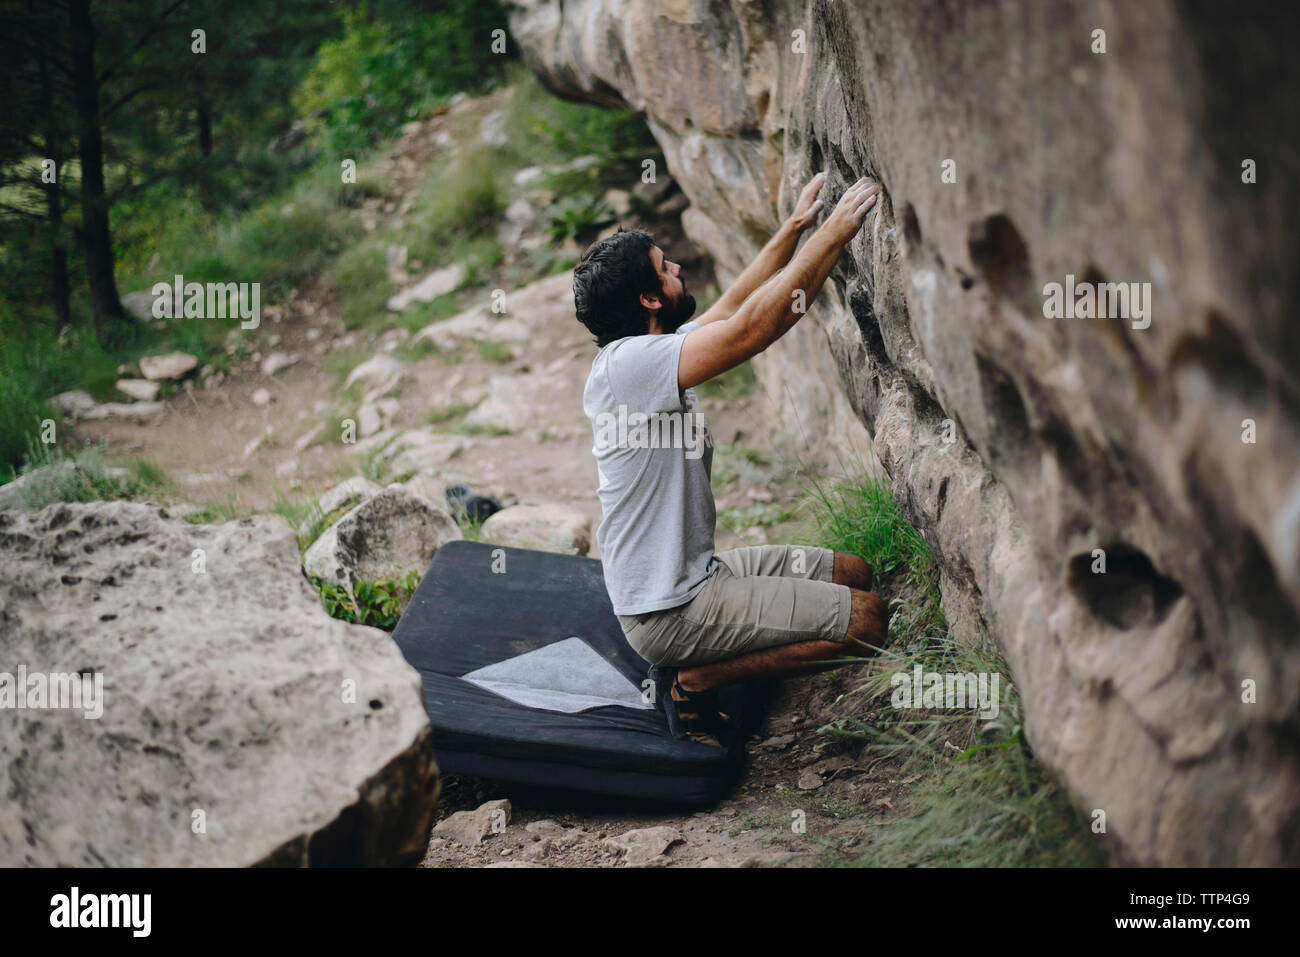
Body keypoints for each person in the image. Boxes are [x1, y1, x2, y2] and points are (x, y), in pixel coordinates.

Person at [576, 173, 888, 745]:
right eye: (666, 269)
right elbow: (749, 330)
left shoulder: (652, 350)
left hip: (696, 579)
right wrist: (837, 231)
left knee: (854, 574)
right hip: (668, 612)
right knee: (866, 622)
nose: (679, 271)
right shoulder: (628, 368)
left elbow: (732, 306)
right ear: (648, 300)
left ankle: (700, 665)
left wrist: (793, 228)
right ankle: (695, 677)